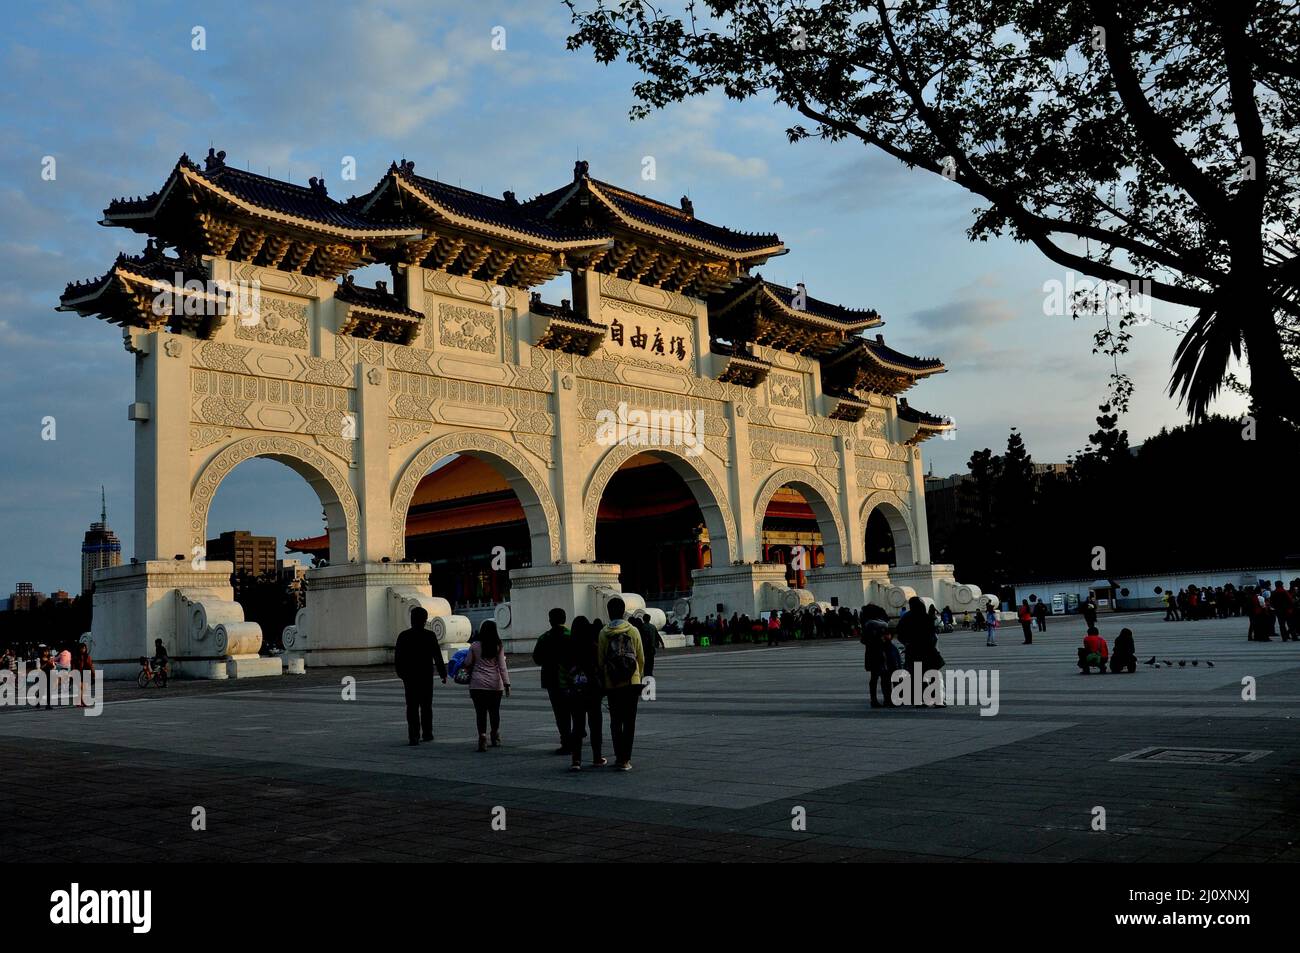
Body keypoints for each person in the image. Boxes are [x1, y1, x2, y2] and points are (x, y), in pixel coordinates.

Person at [597, 597, 644, 771]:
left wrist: (605, 679)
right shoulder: (633, 630)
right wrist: (639, 676)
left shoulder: (603, 633)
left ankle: (618, 757)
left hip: (613, 683)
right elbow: (641, 657)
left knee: (615, 721)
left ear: (608, 612)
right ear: (624, 612)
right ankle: (626, 760)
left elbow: (601, 661)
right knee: (629, 721)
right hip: (632, 682)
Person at [394, 607, 448, 746]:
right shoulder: (429, 636)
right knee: (426, 706)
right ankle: (427, 733)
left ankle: (413, 735)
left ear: (411, 620)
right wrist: (443, 673)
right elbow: (437, 656)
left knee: (411, 706)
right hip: (425, 676)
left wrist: (402, 675)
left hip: (410, 677)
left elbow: (398, 659)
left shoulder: (403, 636)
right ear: (425, 621)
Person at [565, 617, 606, 770]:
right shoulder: (594, 646)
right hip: (593, 690)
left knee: (577, 725)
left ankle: (576, 760)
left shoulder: (569, 648)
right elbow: (600, 667)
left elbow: (565, 668)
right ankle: (597, 757)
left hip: (575, 691)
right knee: (595, 724)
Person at [532, 608, 573, 755]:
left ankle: (565, 740)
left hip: (552, 680)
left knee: (560, 713)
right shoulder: (572, 636)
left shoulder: (544, 638)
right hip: (571, 680)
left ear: (550, 620)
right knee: (574, 711)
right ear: (564, 618)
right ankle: (576, 735)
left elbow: (537, 658)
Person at [466, 619, 511, 752]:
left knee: (480, 713)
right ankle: (495, 735)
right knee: (494, 711)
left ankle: (482, 737)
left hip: (477, 684)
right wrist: (507, 683)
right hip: (494, 684)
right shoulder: (498, 645)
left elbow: (468, 662)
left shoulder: (474, 645)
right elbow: (502, 667)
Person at [863, 623, 900, 709]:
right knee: (885, 679)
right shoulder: (879, 628)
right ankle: (887, 700)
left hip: (873, 659)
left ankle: (875, 700)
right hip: (880, 659)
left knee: (875, 679)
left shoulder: (869, 630)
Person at [72, 642, 94, 707]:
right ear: (79, 649)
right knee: (80, 688)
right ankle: (81, 702)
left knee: (84, 689)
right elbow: (73, 666)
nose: (83, 649)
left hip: (86, 673)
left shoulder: (87, 657)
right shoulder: (75, 657)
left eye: (84, 648)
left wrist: (93, 674)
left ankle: (80, 701)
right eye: (81, 648)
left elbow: (91, 666)